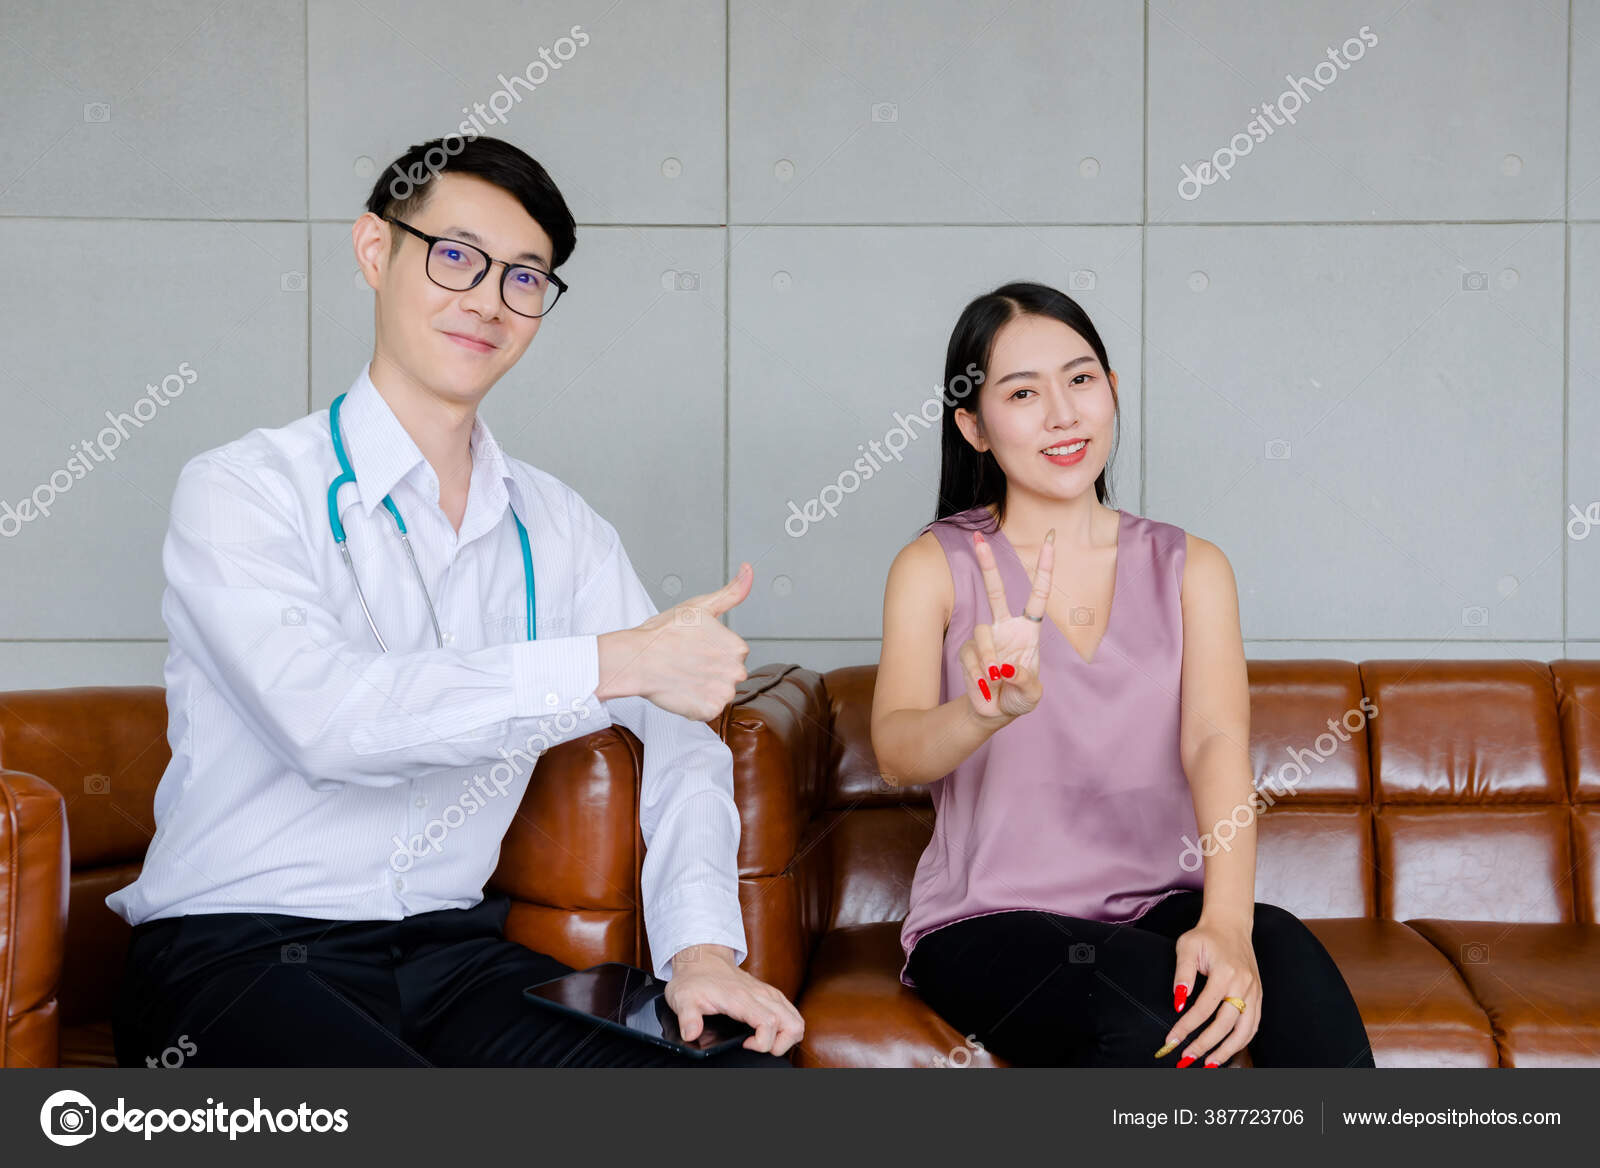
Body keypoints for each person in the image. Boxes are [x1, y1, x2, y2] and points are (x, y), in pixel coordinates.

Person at [107, 135, 800, 1068]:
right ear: (373, 250)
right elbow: (327, 723)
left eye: (525, 277)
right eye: (456, 255)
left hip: (450, 951)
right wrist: (614, 661)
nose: (487, 299)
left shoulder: (562, 529)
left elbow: (680, 741)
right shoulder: (245, 488)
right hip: (238, 948)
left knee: (732, 1066)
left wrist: (702, 951)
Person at [872, 281, 1373, 1068]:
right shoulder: (933, 565)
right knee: (1145, 1007)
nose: (1063, 414)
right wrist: (981, 711)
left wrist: (1227, 922)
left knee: (1293, 966)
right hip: (991, 918)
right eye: (1023, 393)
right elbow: (897, 751)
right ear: (972, 426)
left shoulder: (1192, 566)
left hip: (1154, 903)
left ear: (1112, 390)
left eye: (1080, 379)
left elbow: (1215, 743)